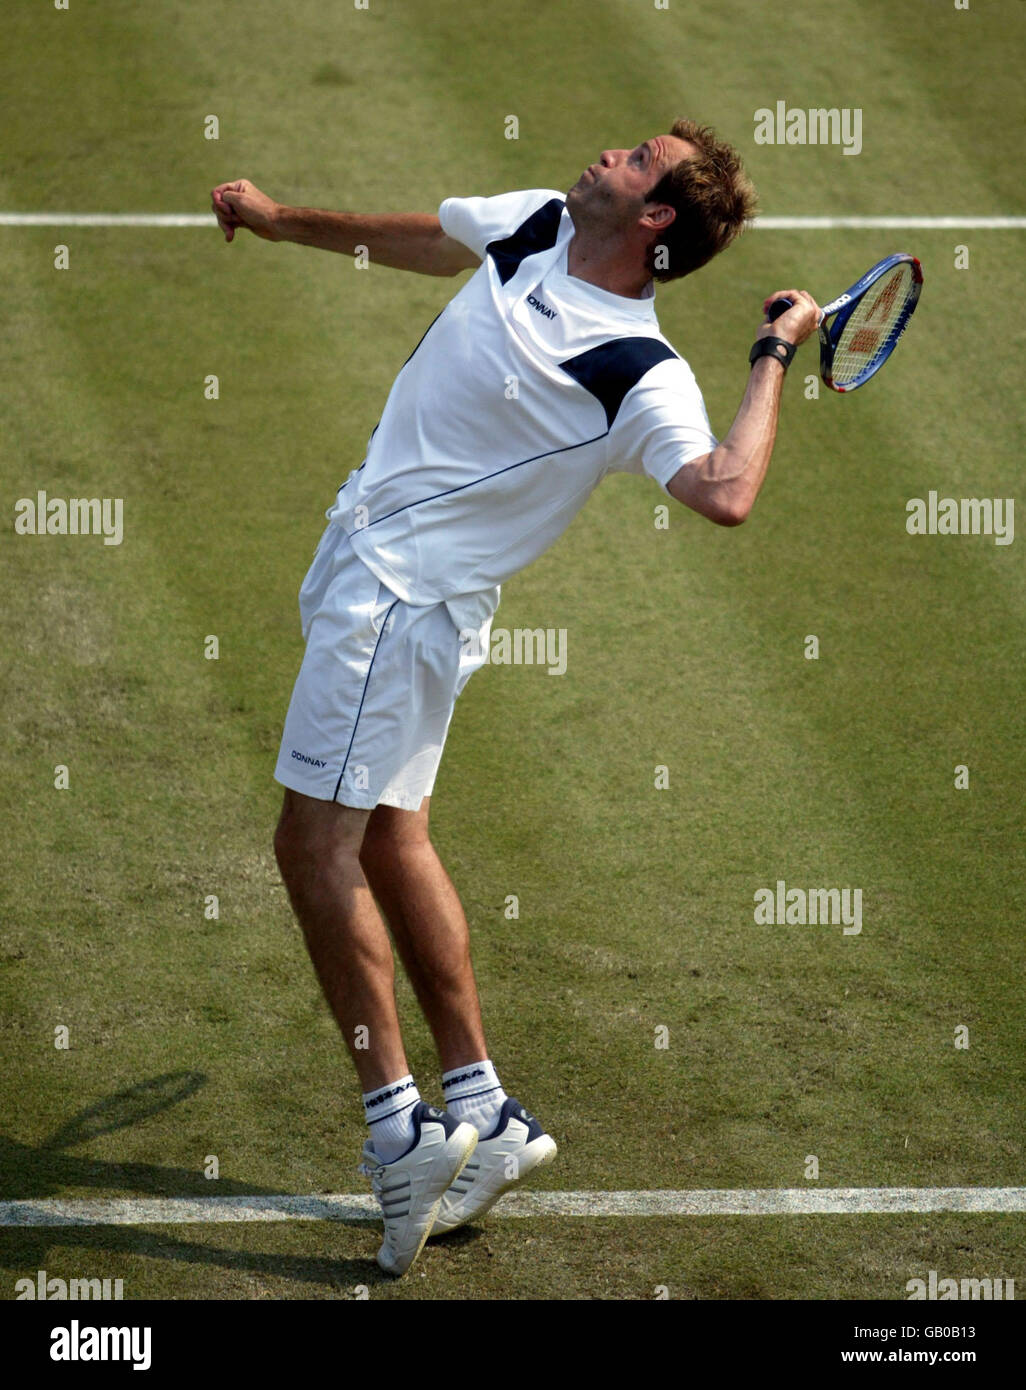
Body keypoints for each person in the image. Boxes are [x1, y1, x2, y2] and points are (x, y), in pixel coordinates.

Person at [210, 119, 821, 1277]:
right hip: (392, 587)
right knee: (392, 836)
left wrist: (770, 357)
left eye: (639, 160)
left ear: (655, 222)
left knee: (310, 846)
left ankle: (398, 1134)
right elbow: (430, 239)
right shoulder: (539, 217)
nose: (609, 153)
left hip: (397, 604)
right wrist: (285, 219)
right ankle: (484, 1108)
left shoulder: (638, 370)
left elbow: (726, 491)